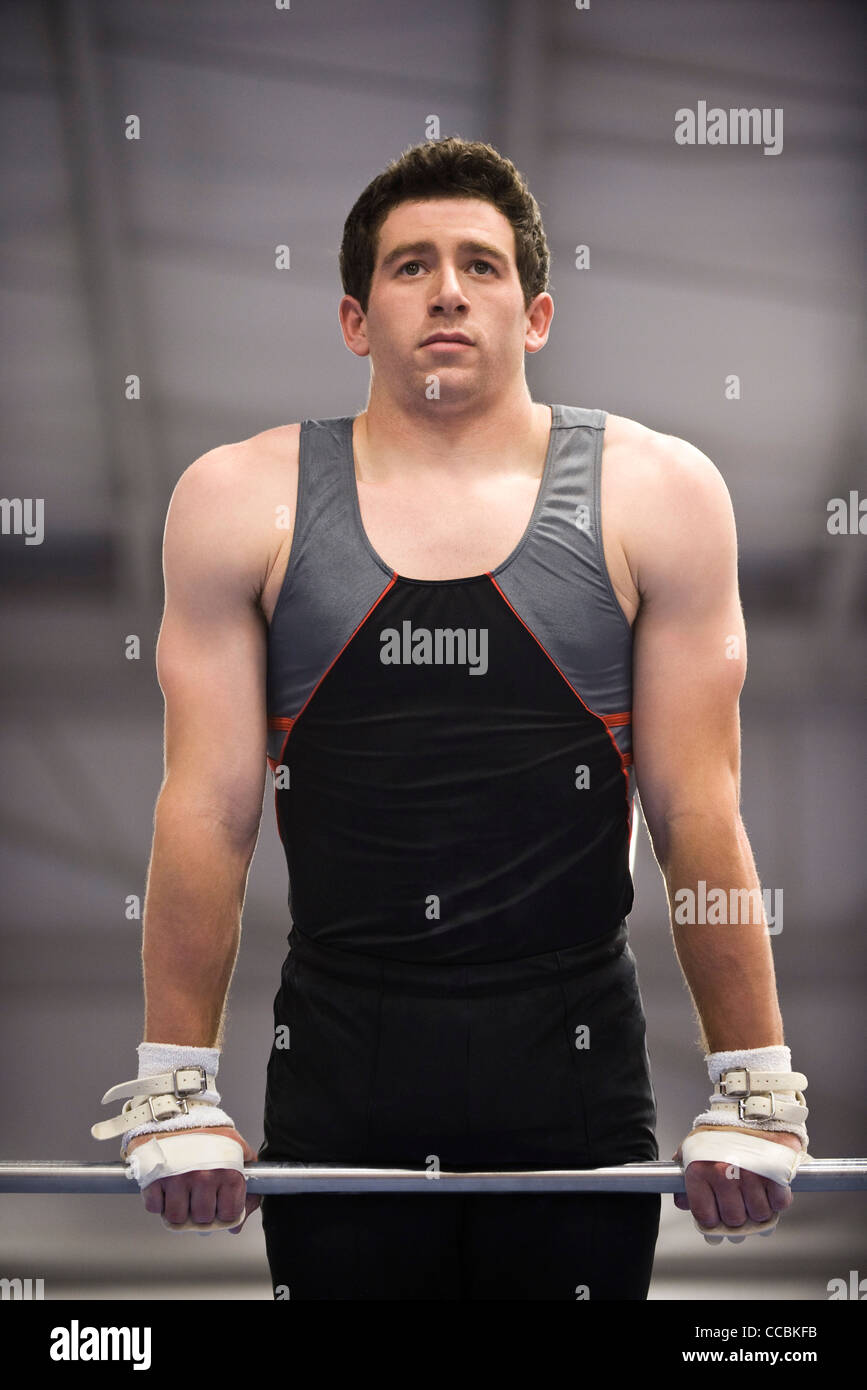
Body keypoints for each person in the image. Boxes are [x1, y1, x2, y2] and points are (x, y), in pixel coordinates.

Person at [93, 137, 808, 1300]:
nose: (444, 290)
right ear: (352, 318)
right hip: (340, 1057)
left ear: (534, 315)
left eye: (478, 265)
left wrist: (755, 1084)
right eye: (410, 265)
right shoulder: (239, 501)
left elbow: (694, 805)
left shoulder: (657, 494)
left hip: (571, 1055)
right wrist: (179, 1081)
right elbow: (212, 806)